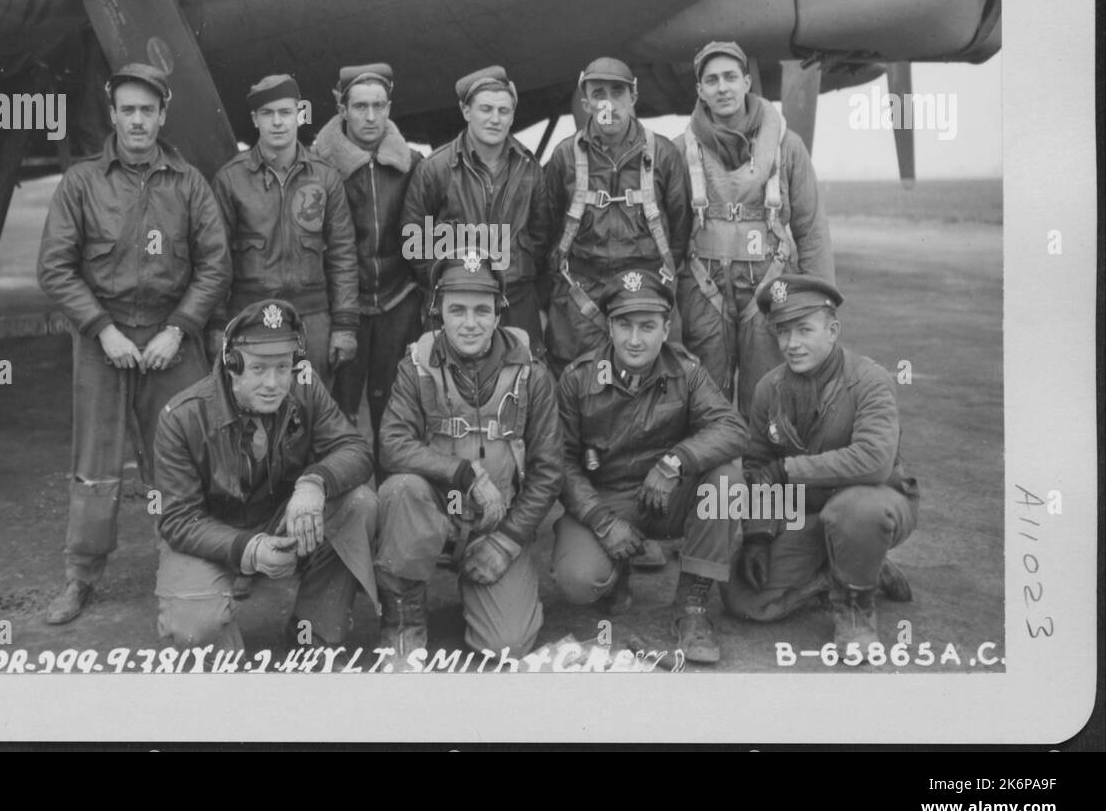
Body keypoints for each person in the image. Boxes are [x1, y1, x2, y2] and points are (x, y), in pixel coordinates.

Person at [36, 62, 230, 625]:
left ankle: (202, 560)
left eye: (148, 110)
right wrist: (103, 330)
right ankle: (81, 575)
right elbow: (55, 267)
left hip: (171, 336)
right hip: (104, 337)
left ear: (163, 114)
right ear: (113, 114)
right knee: (95, 460)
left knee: (187, 456)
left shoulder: (189, 182)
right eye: (128, 110)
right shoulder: (81, 183)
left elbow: (216, 265)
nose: (138, 120)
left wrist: (179, 329)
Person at [154, 299, 378, 650]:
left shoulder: (304, 386)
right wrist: (249, 548)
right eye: (258, 369)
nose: (274, 383)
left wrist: (314, 482)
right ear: (232, 365)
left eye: (282, 367)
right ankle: (230, 666)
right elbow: (179, 520)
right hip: (210, 535)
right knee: (196, 628)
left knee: (359, 503)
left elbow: (354, 449)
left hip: (278, 518)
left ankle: (313, 637)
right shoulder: (182, 417)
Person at [374, 252, 564, 661]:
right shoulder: (416, 368)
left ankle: (493, 583)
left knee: (505, 646)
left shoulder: (532, 374)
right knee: (400, 490)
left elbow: (549, 470)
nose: (470, 322)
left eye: (482, 310)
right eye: (456, 310)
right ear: (438, 312)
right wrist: (463, 472)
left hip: (496, 522)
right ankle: (404, 619)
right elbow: (392, 443)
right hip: (436, 512)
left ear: (499, 314)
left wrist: (508, 542)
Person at [552, 270, 749, 663]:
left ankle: (692, 607)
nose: (635, 339)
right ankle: (614, 578)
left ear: (666, 328)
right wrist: (602, 521)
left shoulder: (687, 372)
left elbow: (732, 428)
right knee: (578, 580)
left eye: (647, 326)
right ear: (609, 326)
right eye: (624, 325)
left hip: (666, 497)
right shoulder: (577, 379)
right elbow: (559, 461)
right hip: (605, 499)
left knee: (727, 481)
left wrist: (676, 460)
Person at [722, 275, 918, 664]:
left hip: (875, 504)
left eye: (804, 330)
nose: (791, 344)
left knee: (854, 512)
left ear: (833, 331)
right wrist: (760, 534)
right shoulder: (769, 388)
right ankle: (853, 568)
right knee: (743, 599)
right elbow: (758, 466)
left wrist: (790, 470)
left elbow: (874, 460)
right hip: (812, 515)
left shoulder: (870, 381)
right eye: (782, 332)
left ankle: (856, 611)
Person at [671, 41, 834, 411]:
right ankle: (712, 467)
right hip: (703, 286)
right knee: (704, 397)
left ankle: (761, 468)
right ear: (700, 91)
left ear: (747, 82)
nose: (722, 87)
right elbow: (667, 231)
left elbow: (811, 229)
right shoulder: (681, 151)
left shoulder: (787, 147)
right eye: (711, 81)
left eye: (730, 77)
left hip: (769, 284)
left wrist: (820, 304)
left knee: (767, 394)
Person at [544, 57, 690, 376]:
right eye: (599, 95)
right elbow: (548, 227)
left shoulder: (663, 154)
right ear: (586, 103)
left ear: (633, 97)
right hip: (581, 291)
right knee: (579, 383)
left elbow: (681, 228)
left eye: (617, 92)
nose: (608, 103)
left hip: (646, 286)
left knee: (656, 385)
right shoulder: (565, 156)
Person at [211, 74, 359, 384]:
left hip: (312, 320)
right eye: (268, 114)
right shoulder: (230, 179)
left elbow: (343, 255)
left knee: (309, 411)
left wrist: (345, 325)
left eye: (285, 112)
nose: (278, 122)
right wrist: (217, 325)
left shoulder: (325, 178)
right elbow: (216, 260)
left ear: (299, 114)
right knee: (250, 407)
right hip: (249, 316)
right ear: (255, 119)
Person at [311, 63, 425, 441]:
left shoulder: (414, 164)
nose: (371, 116)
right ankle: (344, 493)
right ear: (342, 110)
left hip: (399, 302)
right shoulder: (316, 168)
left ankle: (393, 492)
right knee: (337, 413)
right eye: (360, 106)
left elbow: (427, 237)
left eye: (379, 105)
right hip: (342, 306)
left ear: (389, 108)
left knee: (396, 412)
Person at [401, 65, 550, 351]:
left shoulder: (531, 170)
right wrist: (451, 280)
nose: (495, 119)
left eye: (503, 111)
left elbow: (542, 237)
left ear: (512, 116)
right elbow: (414, 242)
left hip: (516, 302)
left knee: (522, 384)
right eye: (486, 109)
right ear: (466, 111)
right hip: (457, 303)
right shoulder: (434, 170)